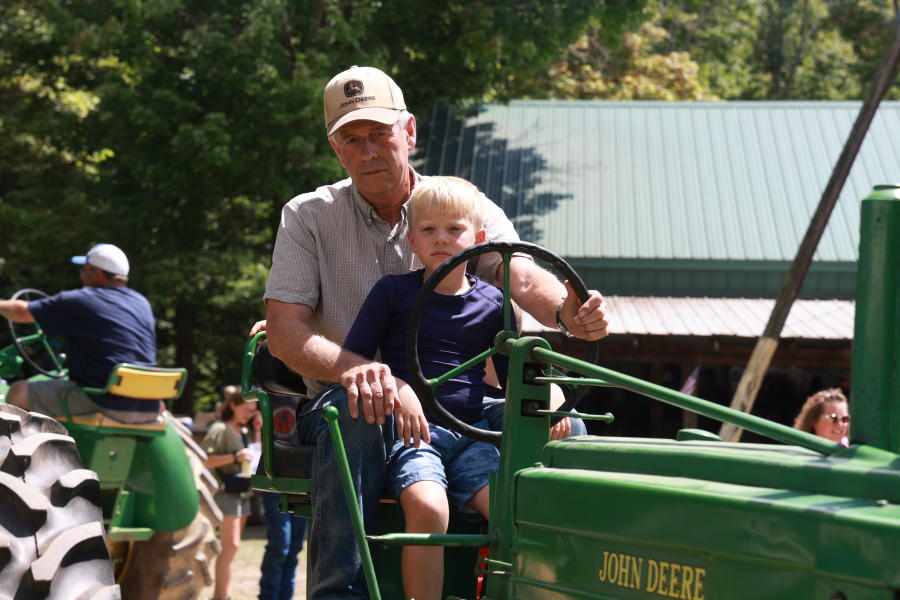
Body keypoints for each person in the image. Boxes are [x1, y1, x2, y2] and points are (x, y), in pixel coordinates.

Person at [263, 65, 610, 599]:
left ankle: (552, 579)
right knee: (355, 408)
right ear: (337, 150)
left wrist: (566, 313)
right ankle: (341, 590)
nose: (368, 151)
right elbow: (285, 332)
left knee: (561, 421)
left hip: (460, 405)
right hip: (348, 397)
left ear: (410, 133)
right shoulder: (308, 216)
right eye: (351, 139)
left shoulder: (457, 206)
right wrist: (367, 374)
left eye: (380, 134)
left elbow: (514, 272)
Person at [344, 176, 581, 600]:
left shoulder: (494, 303)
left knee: (513, 512)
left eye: (454, 229)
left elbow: (518, 378)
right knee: (429, 507)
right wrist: (397, 386)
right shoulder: (393, 293)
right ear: (411, 240)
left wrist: (554, 399)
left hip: (473, 435)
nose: (442, 239)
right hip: (415, 435)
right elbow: (355, 361)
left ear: (479, 240)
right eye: (429, 230)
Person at [0, 243, 158, 423]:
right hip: (149, 404)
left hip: (105, 400)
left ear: (97, 274)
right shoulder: (141, 303)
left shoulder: (83, 299)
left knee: (18, 391)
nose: (82, 277)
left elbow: (19, 312)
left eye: (84, 270)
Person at [203, 385, 262, 600]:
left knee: (232, 548)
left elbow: (255, 455)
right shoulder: (220, 428)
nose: (251, 414)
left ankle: (222, 595)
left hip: (242, 493)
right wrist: (235, 457)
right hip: (225, 493)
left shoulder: (244, 429)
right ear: (233, 405)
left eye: (254, 410)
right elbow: (204, 460)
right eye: (247, 410)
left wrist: (257, 429)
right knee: (231, 546)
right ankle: (221, 597)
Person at [258, 391, 308, 600]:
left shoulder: (308, 394)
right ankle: (268, 596)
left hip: (301, 475)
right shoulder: (267, 394)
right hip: (275, 476)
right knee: (280, 543)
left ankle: (286, 596)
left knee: (295, 545)